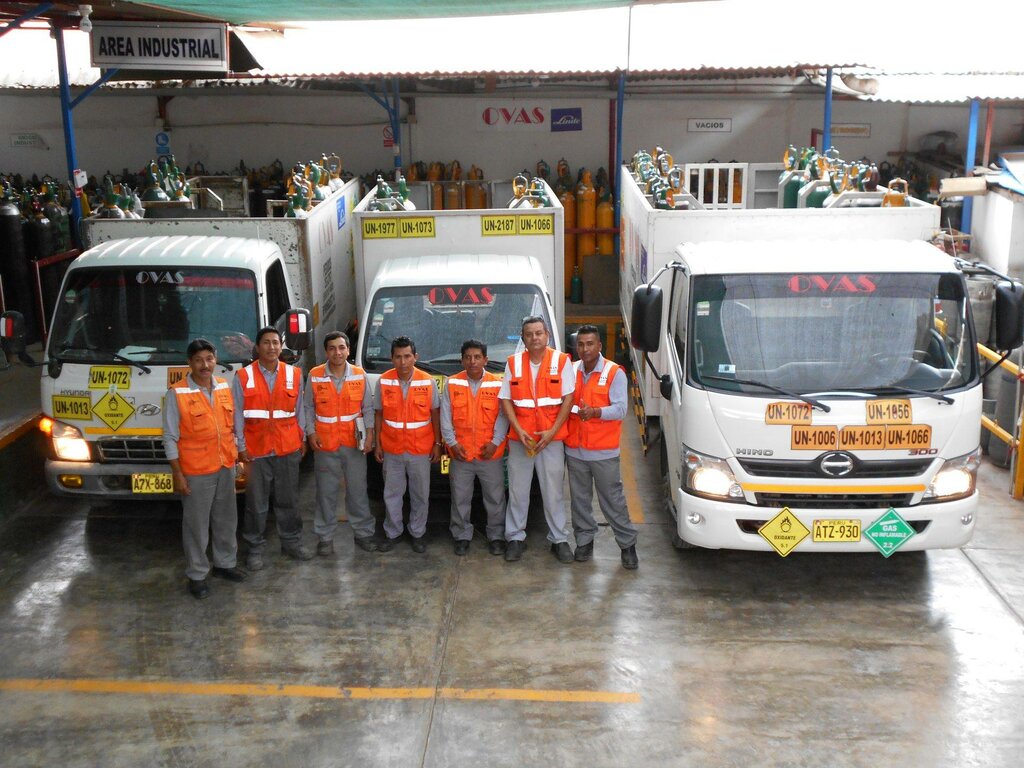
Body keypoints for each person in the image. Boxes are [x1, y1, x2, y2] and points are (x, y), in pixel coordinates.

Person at [164, 338, 247, 599]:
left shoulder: (223, 386)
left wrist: (238, 458)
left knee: (226, 519)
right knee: (196, 526)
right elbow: (169, 437)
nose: (205, 365)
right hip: (196, 471)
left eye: (209, 359)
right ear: (189, 363)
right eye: (198, 360)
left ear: (216, 360)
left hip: (224, 465)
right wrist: (178, 473)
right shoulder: (176, 393)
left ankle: (225, 563)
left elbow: (232, 427)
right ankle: (197, 575)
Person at [232, 326, 311, 570]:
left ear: (281, 346)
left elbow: (300, 411)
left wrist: (302, 439)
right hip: (256, 451)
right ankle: (254, 548)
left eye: (276, 342)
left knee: (289, 500)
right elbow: (237, 415)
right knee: (256, 504)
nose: (272, 347)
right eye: (266, 342)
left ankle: (291, 542)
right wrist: (241, 446)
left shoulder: (294, 374)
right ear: (257, 347)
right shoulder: (243, 376)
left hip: (287, 448)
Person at [499, 315, 575, 564]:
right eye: (529, 334)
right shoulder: (513, 363)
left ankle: (559, 539)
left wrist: (552, 432)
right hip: (521, 439)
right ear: (523, 338)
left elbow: (568, 399)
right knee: (518, 490)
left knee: (553, 491)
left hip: (550, 440)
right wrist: (518, 429)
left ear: (547, 336)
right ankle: (515, 538)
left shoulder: (561, 361)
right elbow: (505, 399)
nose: (534, 338)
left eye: (539, 333)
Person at [566, 325, 639, 570]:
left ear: (599, 346)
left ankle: (627, 545)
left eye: (590, 344)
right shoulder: (571, 370)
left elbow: (620, 409)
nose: (585, 349)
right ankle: (584, 542)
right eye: (581, 344)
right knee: (580, 501)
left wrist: (595, 412)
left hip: (603, 451)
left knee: (612, 501)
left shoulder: (614, 373)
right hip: (575, 450)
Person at [304, 331, 377, 555]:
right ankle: (325, 537)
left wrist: (370, 435)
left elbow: (367, 408)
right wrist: (311, 433)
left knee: (357, 491)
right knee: (325, 493)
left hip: (353, 443)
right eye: (332, 348)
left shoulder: (359, 374)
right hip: (325, 444)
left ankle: (363, 533)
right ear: (326, 352)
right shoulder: (315, 375)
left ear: (348, 350)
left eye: (342, 347)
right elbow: (308, 407)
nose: (338, 352)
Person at [441, 339, 509, 555]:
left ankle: (497, 536)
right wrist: (452, 444)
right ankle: (461, 535)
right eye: (468, 357)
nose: (472, 361)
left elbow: (503, 416)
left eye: (477, 357)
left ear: (485, 360)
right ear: (462, 360)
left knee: (495, 498)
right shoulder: (451, 383)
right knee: (460, 498)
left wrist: (495, 443)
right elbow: (445, 418)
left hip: (490, 454)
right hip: (460, 454)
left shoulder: (497, 384)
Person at [374, 336, 441, 552]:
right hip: (391, 448)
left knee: (420, 494)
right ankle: (393, 532)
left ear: (415, 357)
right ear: (391, 359)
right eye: (398, 357)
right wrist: (377, 444)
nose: (403, 362)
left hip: (420, 449)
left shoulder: (428, 381)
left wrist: (437, 443)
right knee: (392, 494)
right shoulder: (383, 381)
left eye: (407, 356)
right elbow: (378, 414)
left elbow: (435, 414)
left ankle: (417, 533)